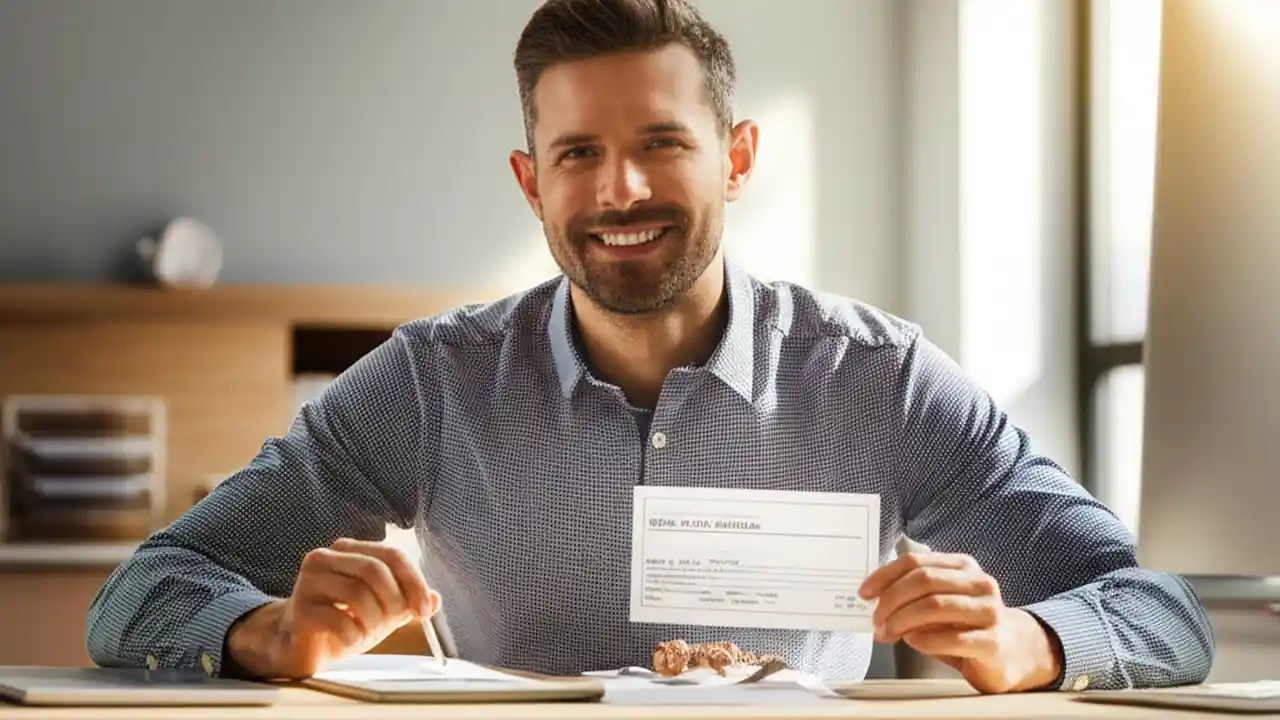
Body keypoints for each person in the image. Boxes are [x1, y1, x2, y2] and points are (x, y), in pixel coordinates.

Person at [86, 0, 1213, 694]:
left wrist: (1026, 642)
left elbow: (1156, 611)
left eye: (661, 142)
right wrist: (262, 632)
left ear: (738, 155)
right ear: (531, 183)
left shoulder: (882, 380)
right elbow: (140, 594)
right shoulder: (430, 382)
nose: (617, 189)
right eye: (576, 153)